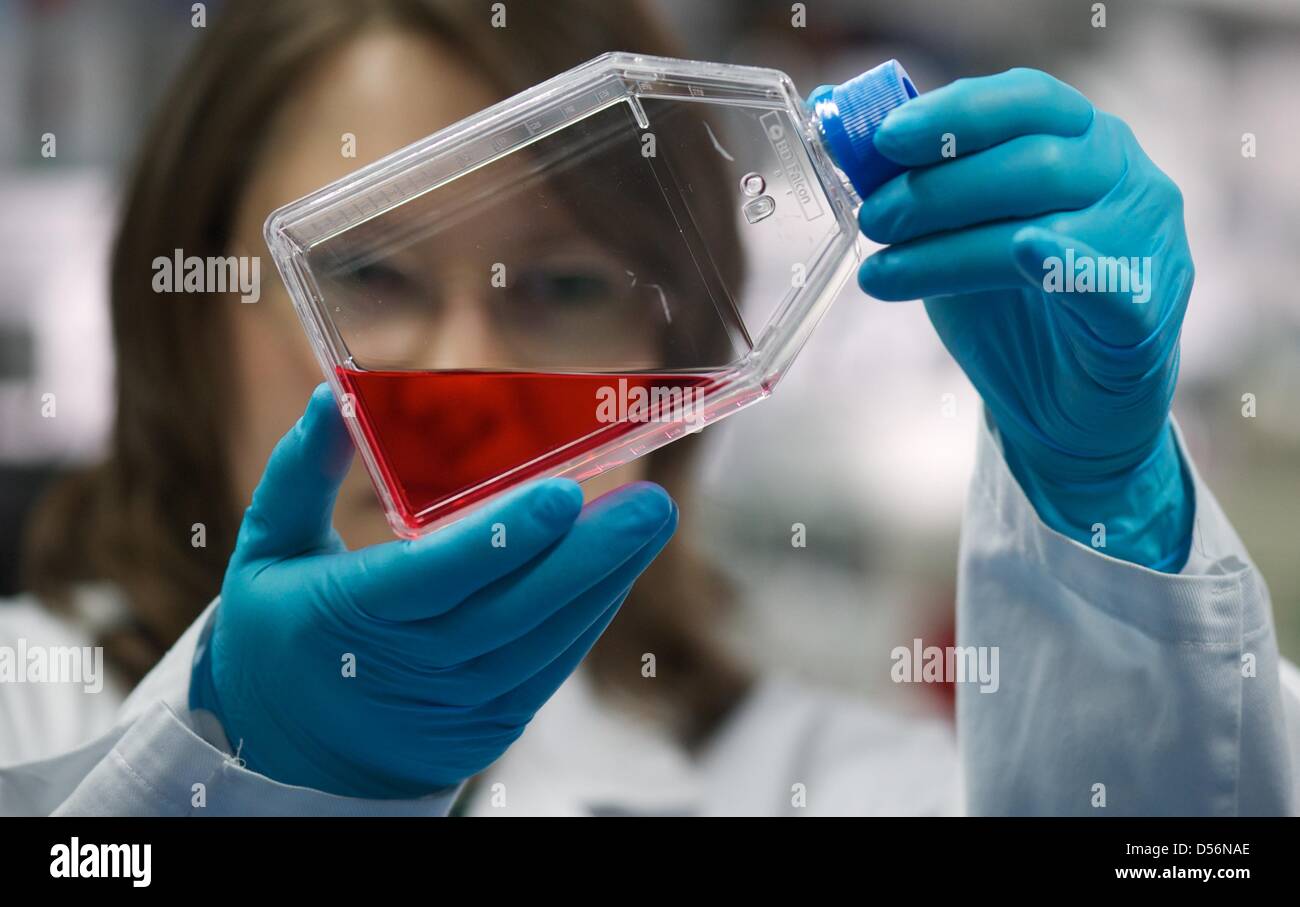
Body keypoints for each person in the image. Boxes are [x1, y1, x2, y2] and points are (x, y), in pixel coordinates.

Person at [1, 0, 1297, 816]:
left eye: (563, 289)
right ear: (190, 311)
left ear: (675, 357)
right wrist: (241, 772)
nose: (460, 378)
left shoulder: (839, 786)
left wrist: (1108, 513)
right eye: (366, 275)